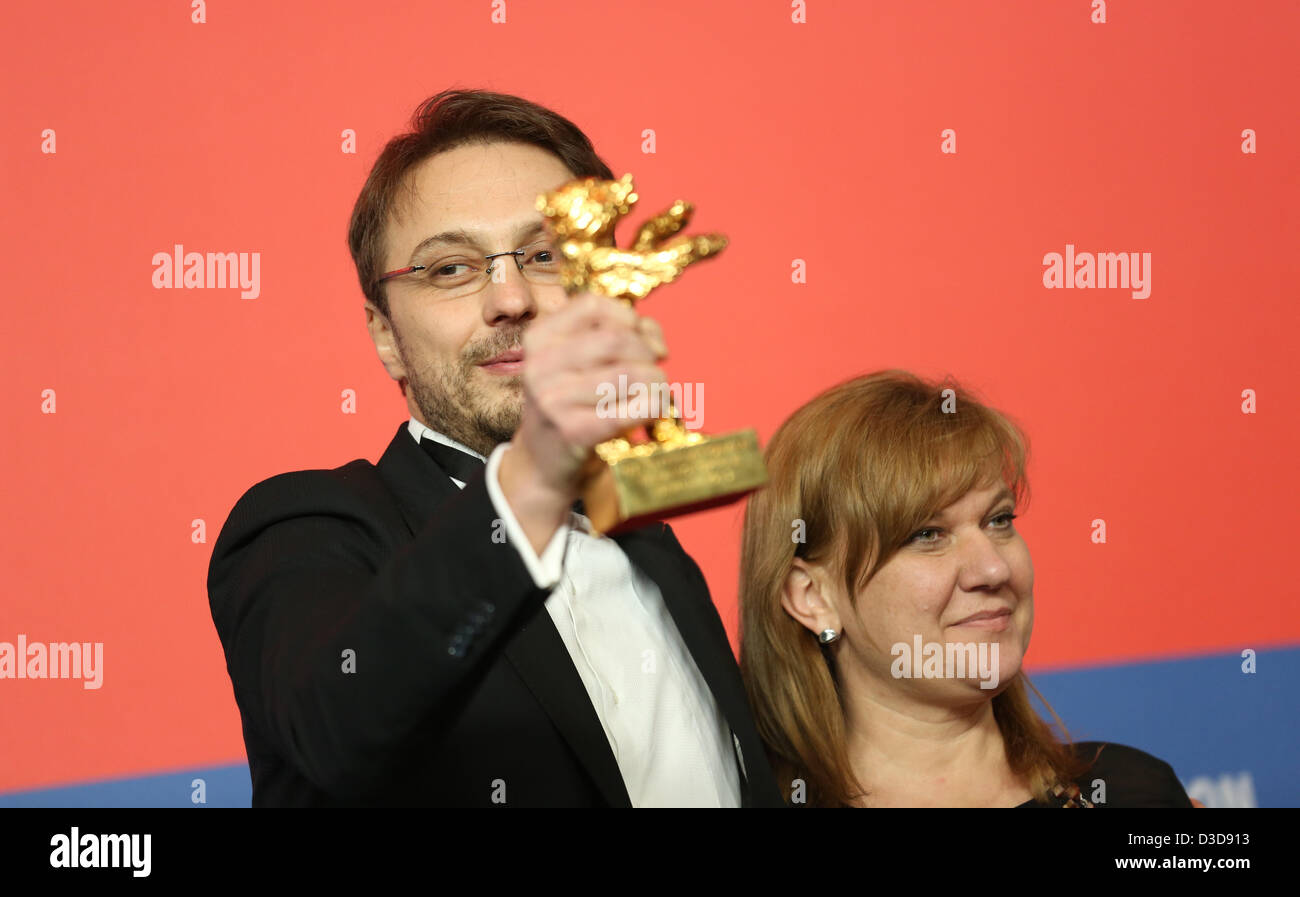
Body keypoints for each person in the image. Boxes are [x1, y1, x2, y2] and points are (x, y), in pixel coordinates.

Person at [207, 88, 782, 807]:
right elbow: (337, 726)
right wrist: (534, 481)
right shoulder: (305, 527)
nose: (510, 299)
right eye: (450, 267)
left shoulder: (655, 549)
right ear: (385, 334)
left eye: (545, 254)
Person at [738, 370, 1194, 807]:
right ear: (812, 598)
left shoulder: (1135, 792)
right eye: (927, 534)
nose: (994, 569)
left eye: (998, 521)